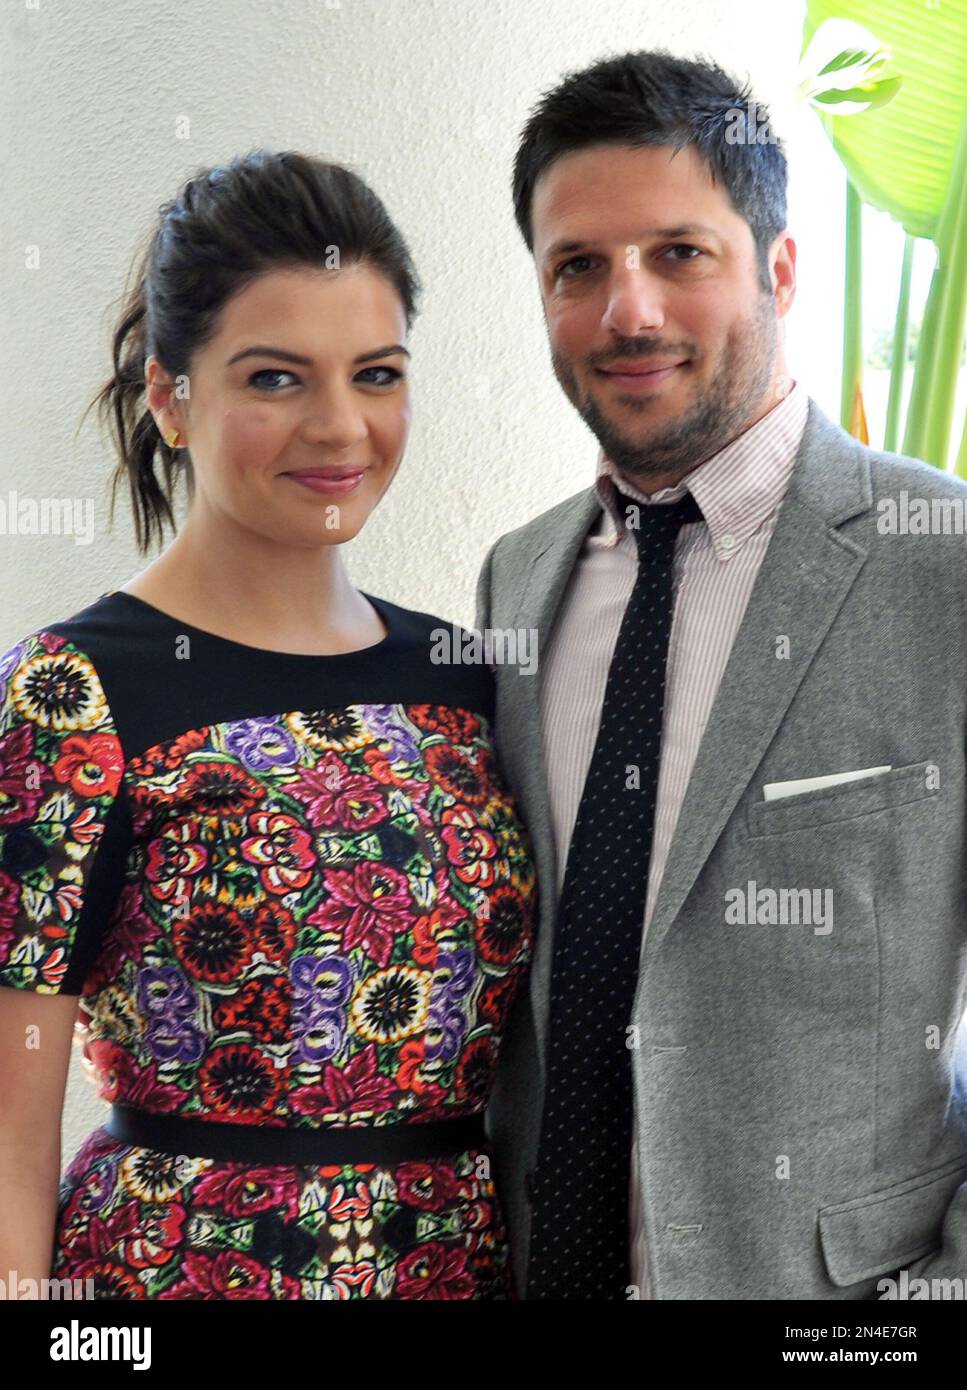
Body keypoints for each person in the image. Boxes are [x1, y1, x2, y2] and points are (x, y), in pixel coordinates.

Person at [0, 149, 536, 1300]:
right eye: (277, 379)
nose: (340, 426)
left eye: (377, 374)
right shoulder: (73, 690)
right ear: (169, 397)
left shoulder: (464, 676)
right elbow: (9, 1119)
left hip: (457, 1269)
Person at [476, 49, 967, 1300]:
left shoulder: (942, 565)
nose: (625, 312)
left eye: (679, 253)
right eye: (576, 267)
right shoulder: (517, 577)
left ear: (781, 268)